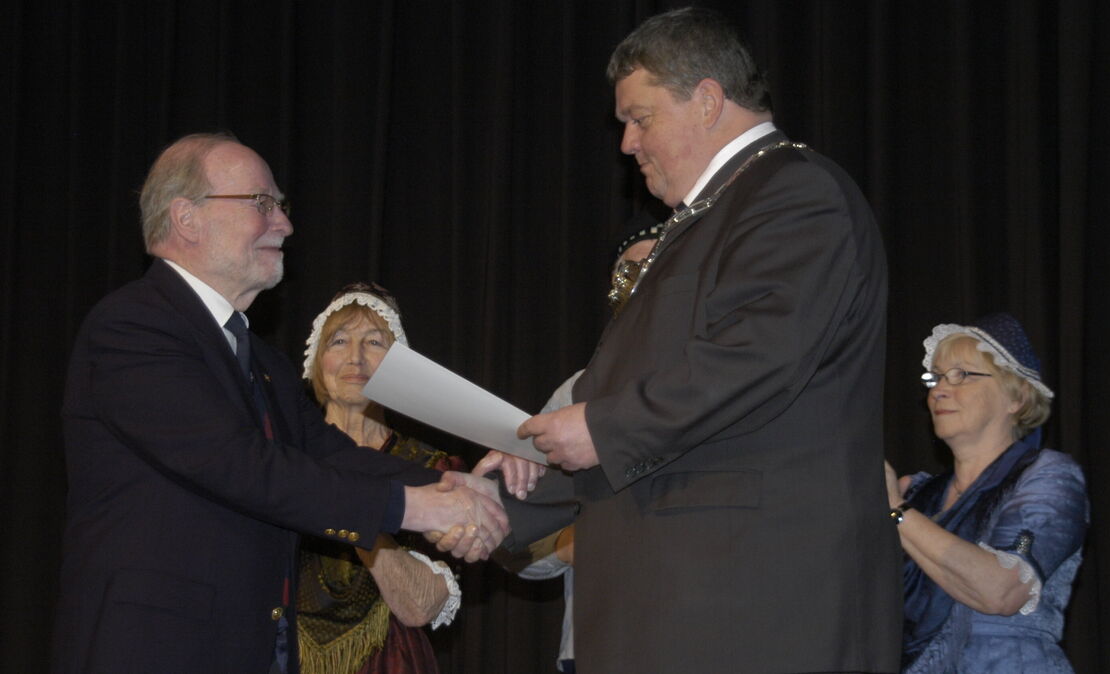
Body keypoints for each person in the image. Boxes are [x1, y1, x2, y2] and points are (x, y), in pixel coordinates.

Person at [472, 8, 903, 672]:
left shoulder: (796, 193)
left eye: (639, 118)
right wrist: (506, 488)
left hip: (749, 610)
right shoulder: (709, 219)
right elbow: (641, 394)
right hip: (686, 610)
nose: (626, 144)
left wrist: (599, 428)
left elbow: (753, 358)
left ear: (705, 101)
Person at [52, 132, 507, 674]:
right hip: (157, 647)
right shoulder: (133, 326)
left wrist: (450, 486)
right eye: (261, 204)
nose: (285, 224)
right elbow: (238, 464)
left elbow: (327, 453)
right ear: (186, 218)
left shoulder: (261, 358)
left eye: (281, 206)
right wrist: (418, 508)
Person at [884, 314, 1088, 672]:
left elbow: (1003, 591)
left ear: (1017, 397)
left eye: (962, 374)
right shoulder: (919, 493)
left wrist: (896, 513)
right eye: (936, 378)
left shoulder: (1049, 476)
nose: (938, 390)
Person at [508, 214, 662, 674]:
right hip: (597, 646)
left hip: (706, 636)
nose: (642, 284)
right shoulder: (575, 395)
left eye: (660, 268)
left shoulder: (722, 380)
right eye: (629, 273)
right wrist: (582, 543)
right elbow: (519, 548)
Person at [297, 282, 465, 674]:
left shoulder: (432, 470)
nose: (355, 359)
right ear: (317, 360)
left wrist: (359, 504)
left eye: (374, 343)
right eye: (338, 341)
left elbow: (419, 607)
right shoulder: (282, 458)